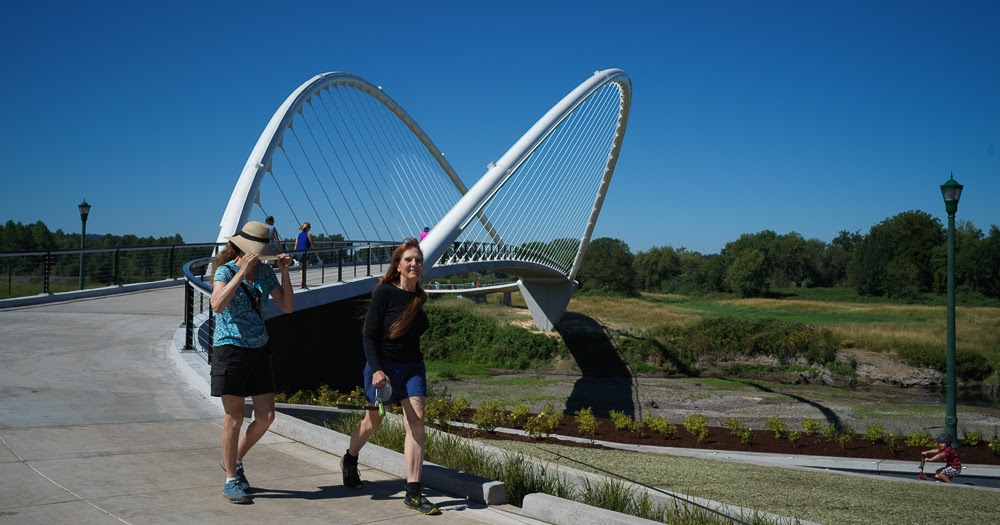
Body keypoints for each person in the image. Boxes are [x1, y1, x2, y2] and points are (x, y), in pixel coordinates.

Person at [341, 237, 440, 515]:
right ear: (398, 265)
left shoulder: (419, 297)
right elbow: (369, 335)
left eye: (418, 260)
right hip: (382, 367)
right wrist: (377, 369)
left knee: (417, 420)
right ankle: (350, 459)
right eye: (408, 259)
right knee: (373, 422)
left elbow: (417, 329)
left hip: (412, 368)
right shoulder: (384, 293)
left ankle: (413, 492)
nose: (414, 264)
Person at [210, 220, 294, 504]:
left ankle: (234, 459)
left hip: (259, 348)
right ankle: (231, 478)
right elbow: (217, 304)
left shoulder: (266, 272)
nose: (258, 256)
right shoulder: (226, 270)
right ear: (243, 249)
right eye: (255, 251)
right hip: (231, 349)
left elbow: (287, 306)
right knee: (234, 418)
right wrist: (241, 273)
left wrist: (284, 273)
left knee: (266, 416)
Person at [294, 221, 313, 288]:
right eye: (310, 227)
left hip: (299, 252)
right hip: (305, 252)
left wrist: (294, 252)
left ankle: (301, 281)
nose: (310, 228)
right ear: (307, 228)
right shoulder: (309, 235)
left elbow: (296, 245)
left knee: (302, 267)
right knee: (305, 267)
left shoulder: (298, 235)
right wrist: (316, 252)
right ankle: (303, 282)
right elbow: (312, 244)